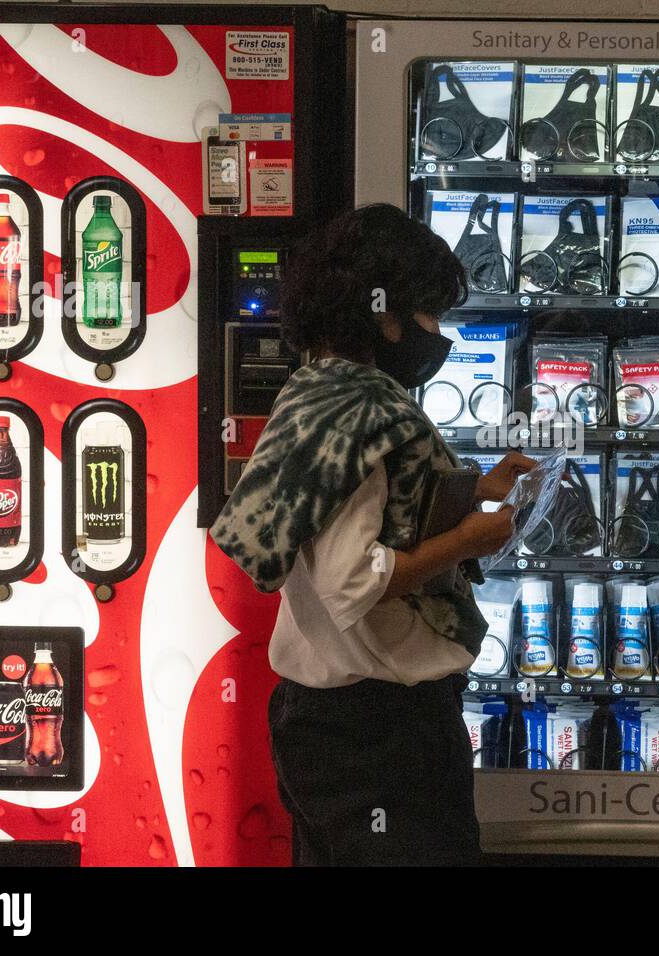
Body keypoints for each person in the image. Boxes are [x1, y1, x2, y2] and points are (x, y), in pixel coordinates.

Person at [210, 203, 535, 866]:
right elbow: (350, 583)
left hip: (319, 722)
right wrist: (470, 540)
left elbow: (366, 506)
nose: (434, 333)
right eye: (428, 313)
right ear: (382, 314)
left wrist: (473, 487)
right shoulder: (371, 409)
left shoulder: (314, 391)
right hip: (381, 738)